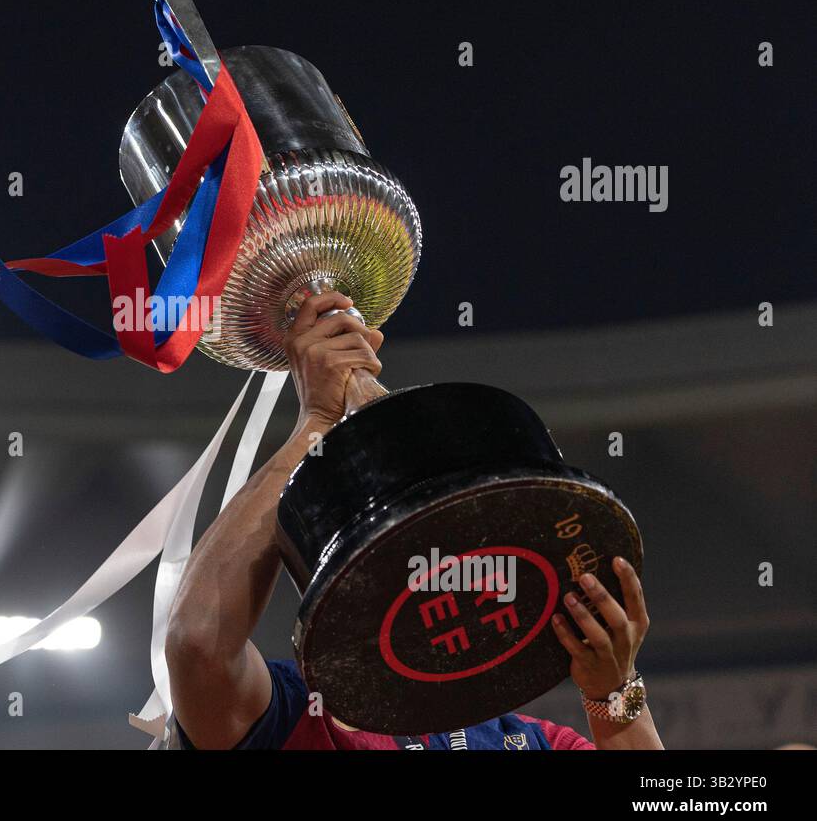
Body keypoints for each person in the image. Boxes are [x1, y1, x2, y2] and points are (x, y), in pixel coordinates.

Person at [163, 291, 664, 750]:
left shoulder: (535, 745)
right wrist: (315, 427)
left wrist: (613, 691)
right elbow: (198, 644)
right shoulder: (303, 721)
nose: (458, 574)